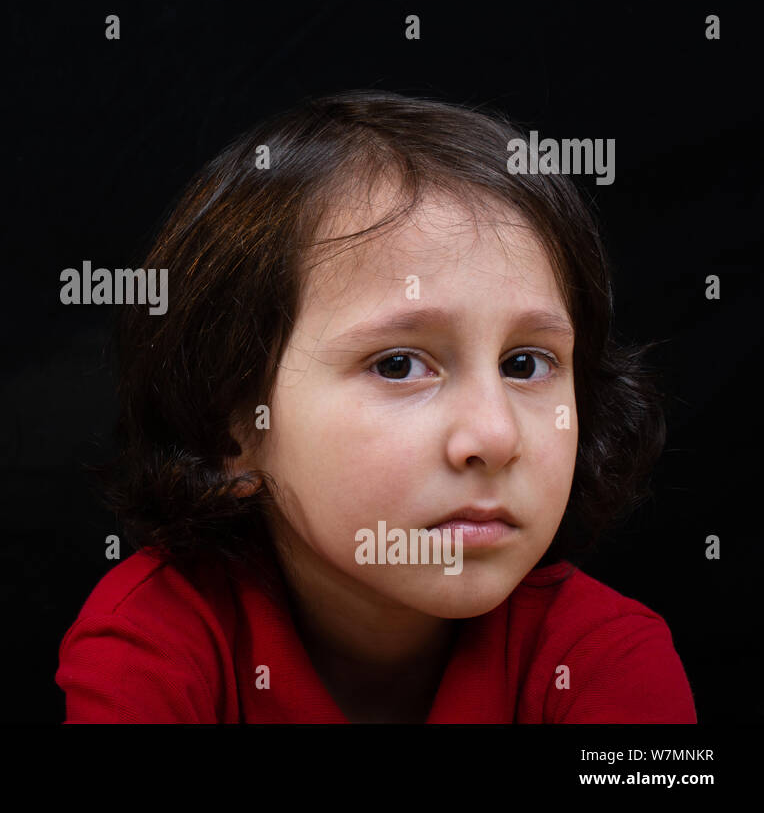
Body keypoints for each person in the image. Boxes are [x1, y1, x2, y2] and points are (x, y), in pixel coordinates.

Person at [55, 90, 696, 723]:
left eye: (524, 364)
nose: (495, 436)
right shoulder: (155, 642)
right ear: (233, 432)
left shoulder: (604, 660)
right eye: (399, 365)